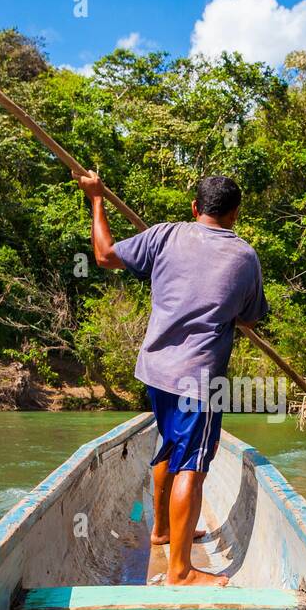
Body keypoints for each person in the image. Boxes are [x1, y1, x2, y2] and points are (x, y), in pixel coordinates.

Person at [79, 171, 268, 588]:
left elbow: (105, 255)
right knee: (193, 466)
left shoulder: (164, 235)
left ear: (195, 208)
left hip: (156, 371)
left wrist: (96, 199)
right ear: (235, 214)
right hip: (197, 379)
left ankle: (162, 530)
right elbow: (252, 315)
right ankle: (181, 571)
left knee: (171, 446)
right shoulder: (244, 257)